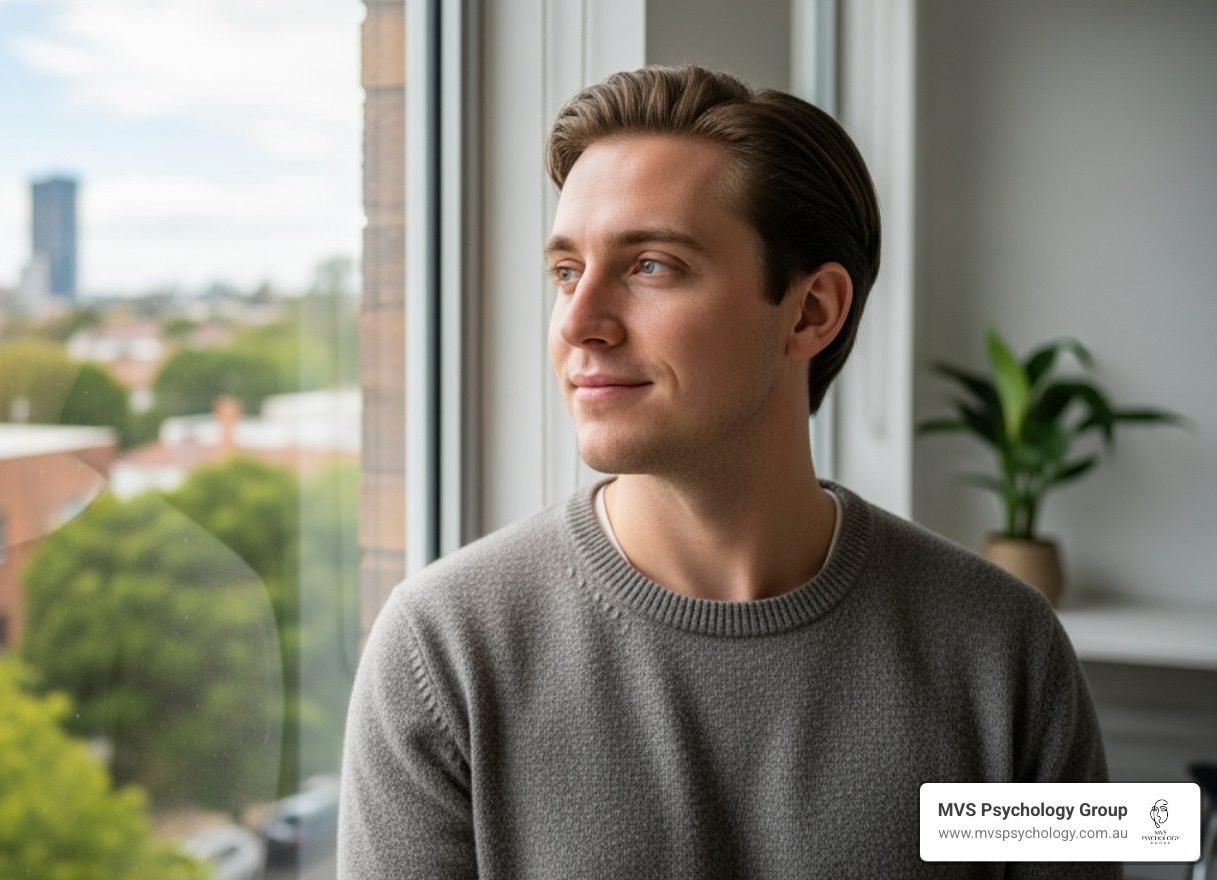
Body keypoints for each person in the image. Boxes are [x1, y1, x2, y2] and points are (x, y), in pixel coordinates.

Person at [338, 65, 1115, 878]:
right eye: (567, 272)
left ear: (812, 311)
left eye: (650, 265)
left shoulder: (1006, 652)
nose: (578, 323)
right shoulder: (442, 655)